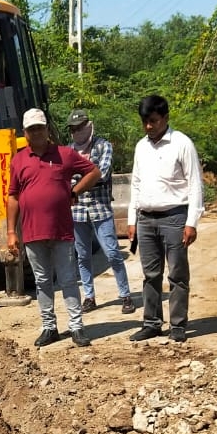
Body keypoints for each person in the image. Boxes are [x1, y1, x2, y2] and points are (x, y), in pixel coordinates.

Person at [8, 108, 102, 348]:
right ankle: (49, 327)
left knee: (68, 279)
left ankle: (76, 326)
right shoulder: (18, 160)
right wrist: (11, 232)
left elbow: (93, 171)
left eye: (40, 127)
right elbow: (13, 197)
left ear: (47, 129)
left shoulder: (65, 154)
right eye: (32, 129)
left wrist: (74, 191)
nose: (37, 132)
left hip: (61, 230)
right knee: (42, 281)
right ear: (25, 133)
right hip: (32, 231)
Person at [127, 95, 205, 344]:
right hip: (146, 220)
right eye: (145, 122)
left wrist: (191, 222)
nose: (149, 126)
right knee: (150, 275)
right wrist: (132, 219)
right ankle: (151, 323)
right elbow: (136, 184)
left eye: (153, 121)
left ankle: (178, 324)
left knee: (178, 275)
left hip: (174, 218)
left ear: (165, 118)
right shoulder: (141, 147)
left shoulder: (182, 144)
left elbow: (195, 185)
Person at [65, 109, 135, 315]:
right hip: (77, 211)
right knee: (82, 255)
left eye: (80, 127)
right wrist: (87, 177)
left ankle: (125, 295)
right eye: (73, 129)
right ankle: (89, 296)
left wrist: (79, 180)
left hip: (100, 208)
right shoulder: (68, 151)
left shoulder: (104, 145)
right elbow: (66, 178)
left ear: (89, 125)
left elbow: (102, 174)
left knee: (112, 252)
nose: (77, 132)